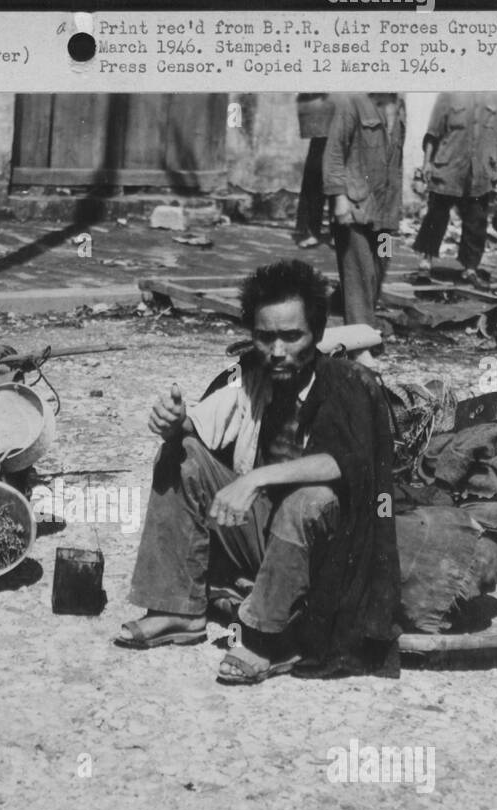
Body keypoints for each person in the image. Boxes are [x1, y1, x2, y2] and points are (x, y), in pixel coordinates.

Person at [115, 259, 400, 683]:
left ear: (316, 335)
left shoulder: (345, 383)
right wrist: (176, 424)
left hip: (328, 549)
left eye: (291, 336)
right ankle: (177, 609)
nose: (277, 350)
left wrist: (254, 479)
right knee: (183, 455)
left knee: (308, 498)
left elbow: (343, 463)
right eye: (266, 337)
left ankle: (269, 638)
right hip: (265, 534)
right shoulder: (254, 375)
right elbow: (202, 427)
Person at [322, 92, 405, 363]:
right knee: (359, 273)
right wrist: (338, 199)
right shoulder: (351, 102)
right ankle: (360, 348)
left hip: (386, 210)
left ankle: (364, 331)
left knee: (381, 264)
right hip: (356, 205)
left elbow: (396, 159)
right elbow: (334, 153)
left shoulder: (399, 104)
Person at [411, 92, 497, 290]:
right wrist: (427, 163)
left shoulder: (495, 97)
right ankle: (425, 262)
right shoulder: (449, 93)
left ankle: (470, 268)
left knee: (476, 221)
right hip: (449, 166)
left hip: (479, 170)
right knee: (436, 216)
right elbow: (433, 131)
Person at [293, 94, 334, 249]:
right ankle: (310, 230)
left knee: (343, 175)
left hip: (347, 112)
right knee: (316, 172)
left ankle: (339, 232)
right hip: (323, 113)